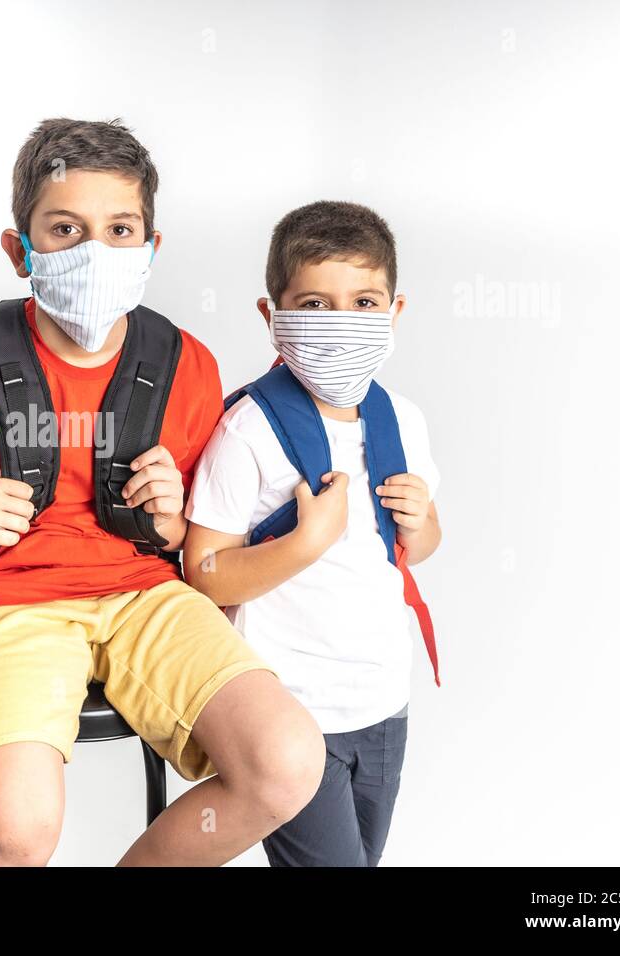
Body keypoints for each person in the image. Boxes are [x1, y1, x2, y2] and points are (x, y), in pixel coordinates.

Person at [0, 118, 325, 866]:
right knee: (16, 837)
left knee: (287, 762)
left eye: (120, 229)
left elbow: (195, 542)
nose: (95, 250)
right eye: (65, 229)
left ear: (151, 249)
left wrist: (169, 521)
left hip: (145, 596)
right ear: (19, 250)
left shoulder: (185, 363)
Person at [184, 201, 442, 866]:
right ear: (274, 319)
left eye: (364, 302)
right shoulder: (248, 429)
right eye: (316, 305)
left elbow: (415, 549)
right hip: (293, 712)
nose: (343, 323)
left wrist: (426, 522)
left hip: (384, 699)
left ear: (395, 311)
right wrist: (303, 544)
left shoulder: (402, 419)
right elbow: (202, 571)